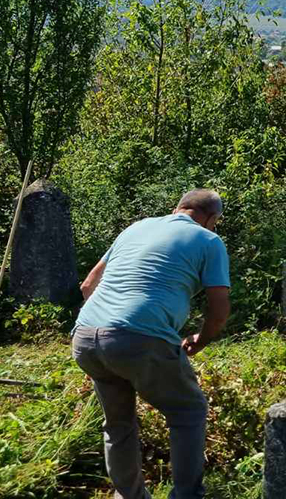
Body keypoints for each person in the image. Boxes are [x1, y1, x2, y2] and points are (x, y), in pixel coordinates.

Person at [72, 189, 230, 499]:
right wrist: (201, 340)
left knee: (118, 423)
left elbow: (88, 285)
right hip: (140, 337)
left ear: (177, 208)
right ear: (211, 218)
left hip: (86, 336)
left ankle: (128, 496)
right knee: (188, 411)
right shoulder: (208, 240)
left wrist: (107, 328)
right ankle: (187, 495)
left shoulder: (137, 227)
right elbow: (219, 309)